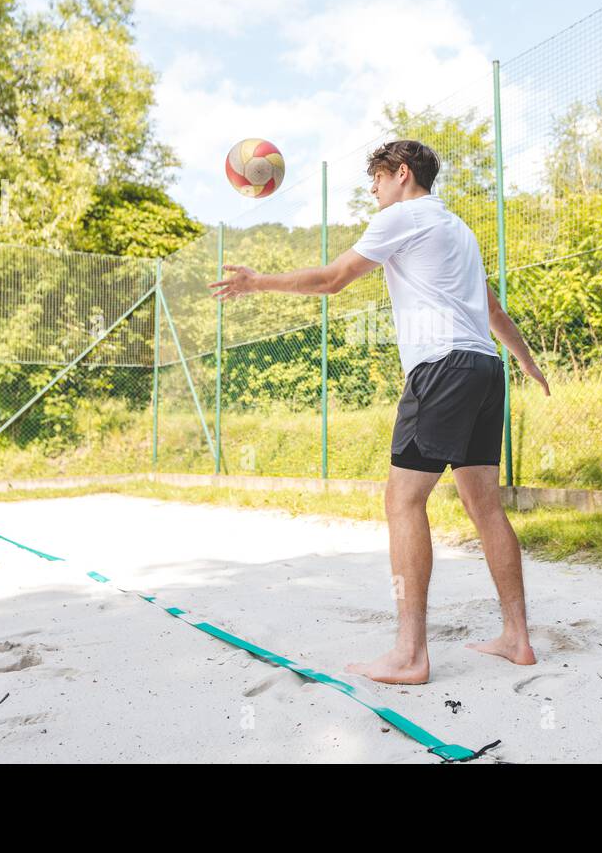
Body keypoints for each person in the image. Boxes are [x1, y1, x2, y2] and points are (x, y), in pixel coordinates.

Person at [209, 139, 550, 684]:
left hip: (441, 369)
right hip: (484, 370)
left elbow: (330, 280)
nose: (372, 190)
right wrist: (525, 362)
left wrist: (256, 282)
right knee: (484, 505)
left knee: (402, 501)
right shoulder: (456, 228)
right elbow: (490, 307)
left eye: (376, 179)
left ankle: (410, 652)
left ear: (402, 173)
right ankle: (517, 637)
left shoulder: (404, 216)